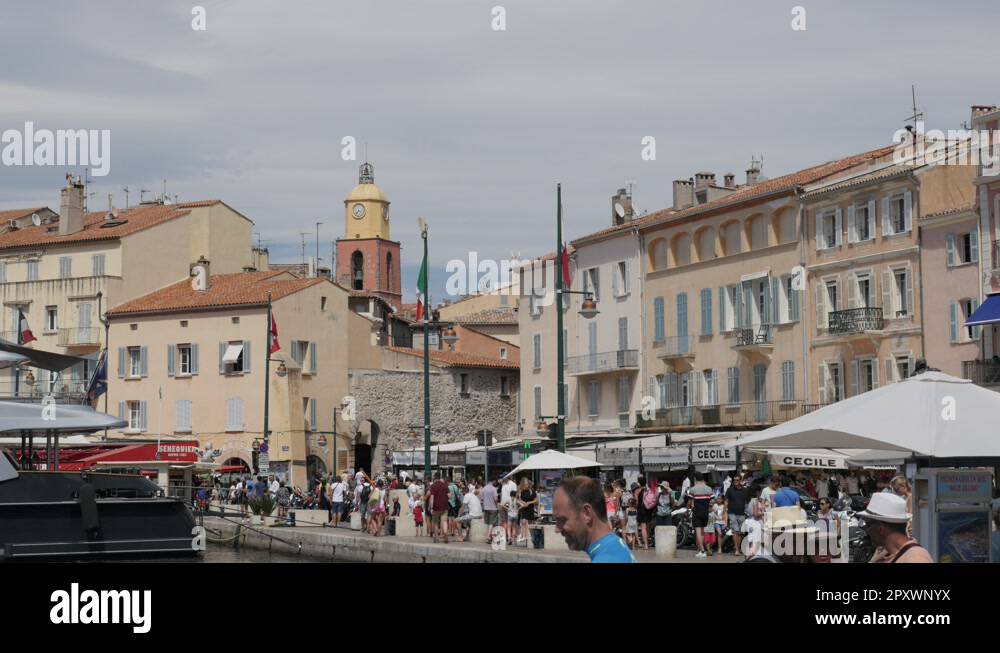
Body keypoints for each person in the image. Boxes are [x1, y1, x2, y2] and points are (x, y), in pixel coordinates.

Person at [553, 476, 635, 563]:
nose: (557, 529)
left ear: (587, 513)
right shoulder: (614, 545)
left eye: (562, 520)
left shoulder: (606, 559)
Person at [860, 493, 932, 563]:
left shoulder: (915, 558)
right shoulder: (897, 554)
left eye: (868, 525)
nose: (866, 529)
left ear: (881, 529)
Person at [686, 474, 714, 558]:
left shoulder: (693, 489)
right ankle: (701, 550)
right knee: (702, 531)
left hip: (697, 512)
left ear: (695, 479)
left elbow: (690, 502)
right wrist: (709, 508)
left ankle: (702, 550)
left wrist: (688, 508)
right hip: (705, 512)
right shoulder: (709, 488)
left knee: (698, 531)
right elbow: (712, 501)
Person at [724, 475, 749, 557]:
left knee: (741, 532)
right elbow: (726, 501)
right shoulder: (729, 490)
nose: (735, 481)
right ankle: (737, 550)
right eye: (734, 480)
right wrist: (725, 512)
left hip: (742, 513)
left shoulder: (745, 490)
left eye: (737, 480)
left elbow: (747, 502)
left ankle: (738, 547)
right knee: (735, 531)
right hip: (732, 513)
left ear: (741, 481)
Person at [634, 476, 655, 550]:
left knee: (643, 528)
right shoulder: (648, 489)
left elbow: (636, 502)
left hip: (641, 509)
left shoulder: (637, 491)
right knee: (647, 527)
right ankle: (647, 543)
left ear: (639, 483)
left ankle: (645, 545)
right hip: (648, 509)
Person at [429, 472, 450, 543]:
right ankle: (445, 534)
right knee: (444, 521)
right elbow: (449, 496)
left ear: (434, 477)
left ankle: (437, 538)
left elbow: (432, 497)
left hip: (436, 507)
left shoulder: (433, 486)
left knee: (435, 522)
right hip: (444, 506)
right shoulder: (445, 485)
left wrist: (431, 507)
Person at [518, 478, 538, 546]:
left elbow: (536, 501)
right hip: (524, 508)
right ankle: (525, 537)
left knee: (529, 523)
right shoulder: (522, 491)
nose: (526, 485)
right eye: (524, 484)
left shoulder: (532, 491)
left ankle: (528, 537)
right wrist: (522, 502)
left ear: (529, 484)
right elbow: (519, 499)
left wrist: (529, 502)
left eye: (527, 484)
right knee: (524, 521)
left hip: (530, 508)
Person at [480, 478, 498, 543]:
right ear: (492, 482)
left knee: (488, 523)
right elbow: (495, 499)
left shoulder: (483, 489)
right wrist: (497, 505)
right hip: (493, 508)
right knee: (492, 523)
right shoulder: (494, 489)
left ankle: (490, 537)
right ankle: (488, 536)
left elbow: (481, 499)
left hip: (486, 508)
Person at [501, 476, 518, 541]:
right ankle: (512, 538)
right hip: (514, 513)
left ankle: (508, 537)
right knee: (512, 526)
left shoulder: (512, 484)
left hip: (508, 509)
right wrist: (518, 508)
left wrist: (504, 506)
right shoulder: (504, 484)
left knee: (507, 524)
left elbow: (504, 505)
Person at [622, 483, 638, 549]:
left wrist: (625, 523)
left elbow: (626, 517)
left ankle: (630, 541)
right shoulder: (635, 510)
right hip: (634, 523)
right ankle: (633, 546)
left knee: (627, 533)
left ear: (629, 503)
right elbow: (636, 517)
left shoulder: (627, 509)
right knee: (634, 534)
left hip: (629, 523)